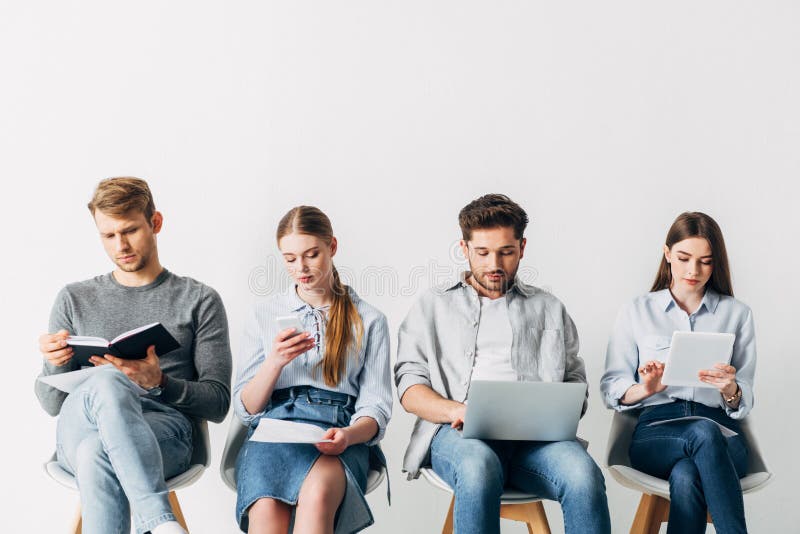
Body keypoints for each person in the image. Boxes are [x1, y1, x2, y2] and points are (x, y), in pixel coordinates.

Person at [394, 194, 611, 534]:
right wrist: (456, 410)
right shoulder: (433, 306)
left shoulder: (549, 307)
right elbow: (409, 387)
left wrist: (558, 409)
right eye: (482, 252)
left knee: (584, 476)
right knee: (478, 469)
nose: (494, 263)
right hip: (461, 436)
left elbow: (574, 382)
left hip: (537, 444)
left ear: (522, 248)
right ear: (464, 249)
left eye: (506, 252)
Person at [35, 177, 232, 534]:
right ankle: (160, 522)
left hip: (164, 433)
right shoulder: (73, 298)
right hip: (81, 427)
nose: (120, 245)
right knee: (108, 379)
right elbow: (51, 404)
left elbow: (218, 403)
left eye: (130, 231)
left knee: (98, 451)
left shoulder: (199, 300)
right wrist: (55, 360)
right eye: (108, 236)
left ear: (155, 223)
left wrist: (160, 382)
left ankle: (157, 521)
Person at [233, 205, 392, 534]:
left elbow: (375, 407)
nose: (300, 268)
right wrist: (274, 363)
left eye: (311, 255)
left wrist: (348, 436)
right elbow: (246, 409)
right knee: (266, 511)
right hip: (273, 432)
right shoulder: (263, 314)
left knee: (318, 496)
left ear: (332, 247)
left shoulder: (370, 319)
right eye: (289, 259)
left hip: (336, 434)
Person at [600, 211, 755, 534]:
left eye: (705, 261)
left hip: (722, 431)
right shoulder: (636, 311)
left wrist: (731, 389)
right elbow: (612, 386)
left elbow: (745, 398)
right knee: (701, 434)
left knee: (686, 475)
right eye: (684, 258)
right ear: (667, 253)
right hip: (657, 431)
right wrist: (646, 388)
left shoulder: (736, 314)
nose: (694, 270)